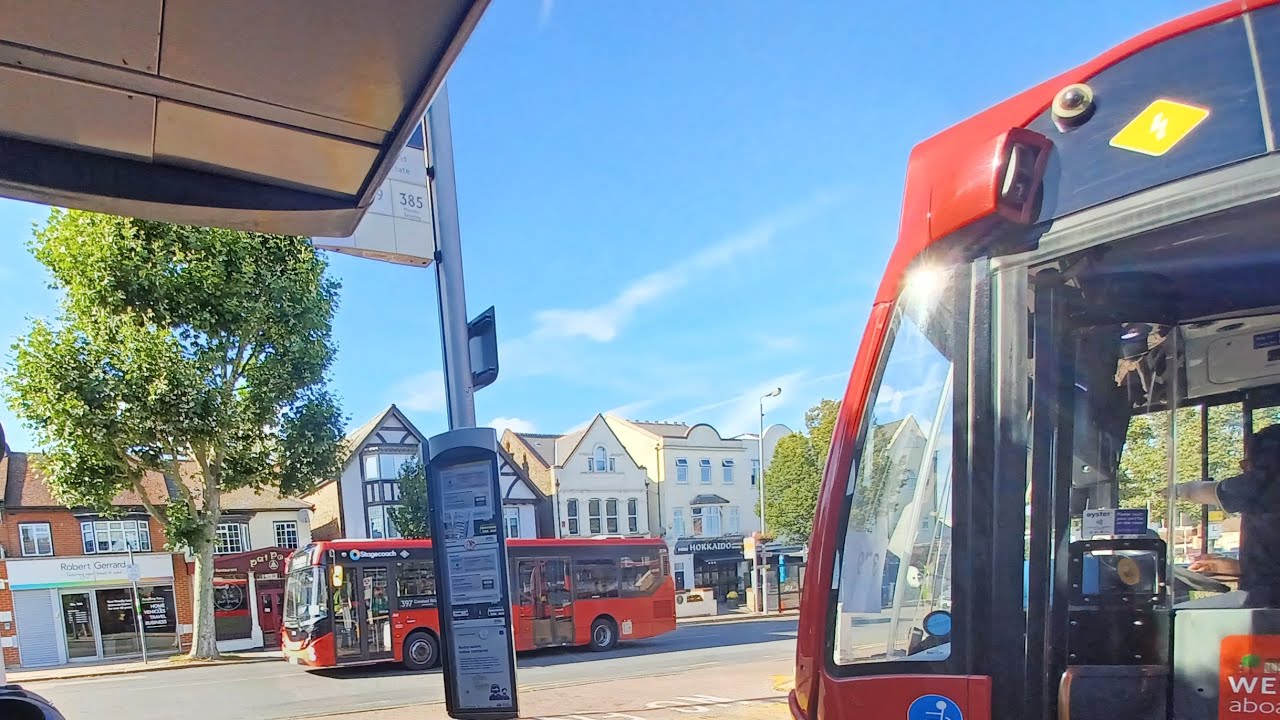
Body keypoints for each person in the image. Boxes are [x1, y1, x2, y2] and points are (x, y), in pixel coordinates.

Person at [1176, 423, 1280, 607]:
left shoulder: (1263, 485)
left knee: (1176, 614)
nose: (1244, 469)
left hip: (1268, 607)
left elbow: (1204, 491)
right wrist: (1234, 566)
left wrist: (1177, 490)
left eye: (1247, 463)